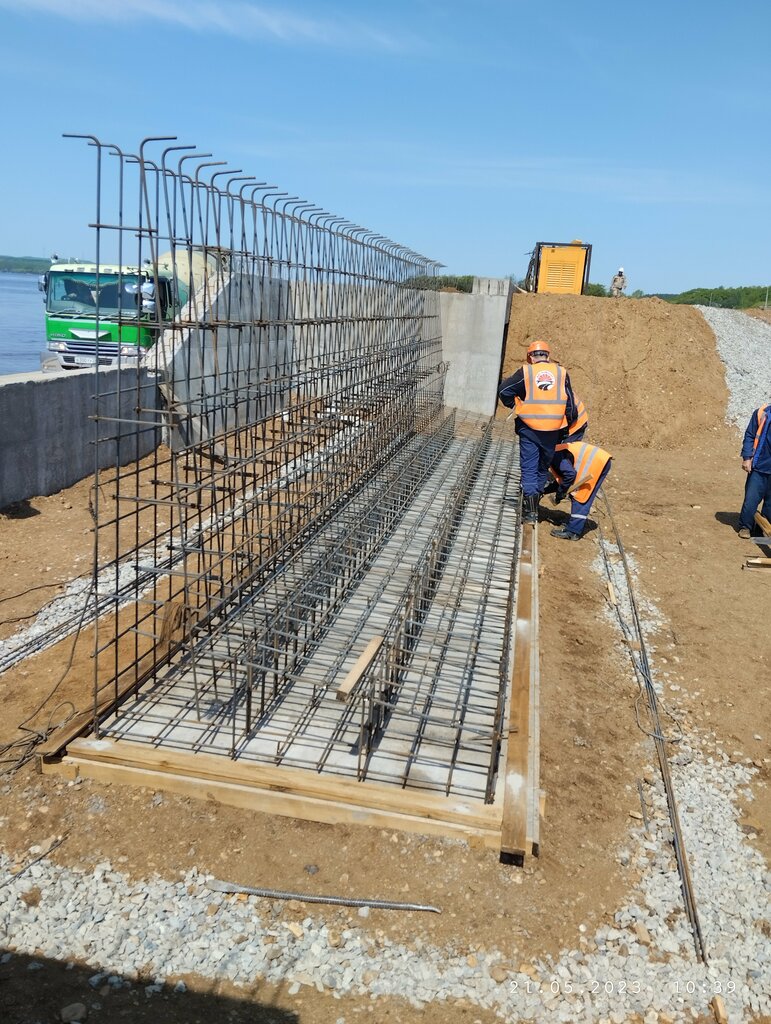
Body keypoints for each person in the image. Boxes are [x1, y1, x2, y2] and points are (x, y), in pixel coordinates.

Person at [498, 339, 576, 525]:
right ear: (548, 356)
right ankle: (535, 503)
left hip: (530, 429)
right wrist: (566, 427)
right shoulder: (561, 372)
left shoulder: (526, 372)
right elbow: (570, 403)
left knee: (529, 467)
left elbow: (504, 391)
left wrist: (517, 405)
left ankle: (531, 512)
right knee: (543, 467)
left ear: (530, 357)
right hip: (552, 431)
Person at [547, 440, 612, 541]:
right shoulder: (553, 451)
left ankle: (573, 531)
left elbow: (569, 475)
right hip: (600, 460)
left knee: (579, 495)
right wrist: (547, 490)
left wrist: (561, 492)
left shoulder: (555, 456)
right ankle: (574, 525)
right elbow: (562, 478)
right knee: (579, 493)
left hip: (595, 463)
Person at [738, 401, 771, 538]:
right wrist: (747, 457)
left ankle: (761, 528)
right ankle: (745, 526)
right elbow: (750, 435)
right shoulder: (761, 413)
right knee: (751, 500)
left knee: (770, 507)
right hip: (759, 467)